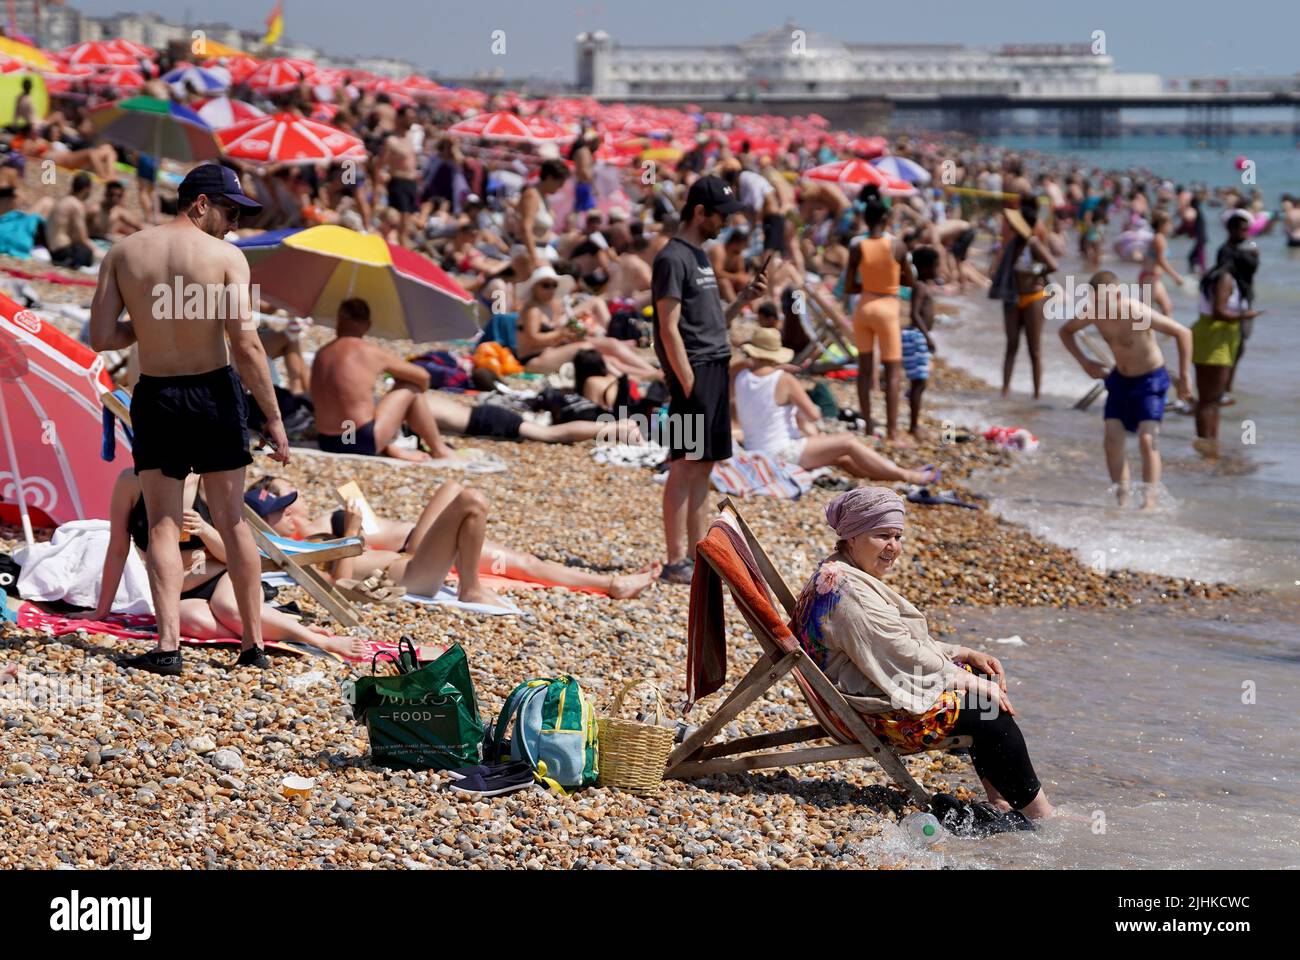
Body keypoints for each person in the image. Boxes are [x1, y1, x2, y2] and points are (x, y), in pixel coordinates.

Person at [88, 163, 286, 674]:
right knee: (233, 519)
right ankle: (253, 645)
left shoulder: (124, 252)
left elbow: (103, 338)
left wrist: (148, 324)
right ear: (200, 203)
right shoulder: (227, 258)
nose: (235, 223)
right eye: (231, 210)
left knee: (162, 523)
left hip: (157, 395)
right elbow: (245, 343)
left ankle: (168, 646)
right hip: (214, 392)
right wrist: (274, 417)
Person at [792, 487, 1054, 820]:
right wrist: (962, 679)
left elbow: (896, 643)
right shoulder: (850, 594)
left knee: (980, 680)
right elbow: (900, 652)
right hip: (868, 711)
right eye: (882, 535)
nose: (894, 548)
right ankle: (1043, 816)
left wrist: (962, 653)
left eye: (898, 536)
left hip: (855, 687)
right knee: (987, 711)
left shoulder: (838, 572)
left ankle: (1001, 801)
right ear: (852, 537)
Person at [68, 471, 367, 662]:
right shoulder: (131, 482)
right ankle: (280, 625)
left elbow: (235, 554)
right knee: (191, 623)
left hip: (222, 575)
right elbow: (118, 547)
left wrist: (205, 530)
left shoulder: (206, 483)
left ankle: (321, 641)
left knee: (229, 607)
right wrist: (101, 611)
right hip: (180, 592)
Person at [249, 476, 660, 601]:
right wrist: (354, 530)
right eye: (284, 507)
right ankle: (470, 586)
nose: (294, 508)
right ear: (268, 519)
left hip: (409, 560)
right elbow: (338, 584)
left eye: (293, 500)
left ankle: (610, 584)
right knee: (471, 500)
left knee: (454, 489)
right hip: (409, 574)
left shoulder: (315, 530)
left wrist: (356, 525)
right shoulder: (310, 544)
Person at [652, 174, 765, 583]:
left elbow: (712, 323)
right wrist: (687, 385)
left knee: (704, 465)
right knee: (684, 465)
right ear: (699, 212)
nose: (725, 224)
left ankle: (698, 555)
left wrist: (743, 299)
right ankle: (673, 560)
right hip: (695, 372)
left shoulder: (700, 255)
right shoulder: (673, 257)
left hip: (714, 365)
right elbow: (668, 327)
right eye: (720, 216)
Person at [732, 328, 938, 484]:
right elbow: (813, 415)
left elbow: (741, 369)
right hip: (781, 452)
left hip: (756, 449)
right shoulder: (783, 379)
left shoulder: (741, 377)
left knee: (844, 457)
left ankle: (891, 475)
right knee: (848, 441)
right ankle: (906, 475)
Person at [1058, 271, 1193, 509]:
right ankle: (1122, 499)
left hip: (1151, 379)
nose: (1101, 306)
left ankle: (1149, 502)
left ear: (1118, 295)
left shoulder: (1135, 312)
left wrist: (1184, 376)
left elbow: (1183, 333)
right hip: (1120, 378)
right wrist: (1085, 362)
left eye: (1105, 301)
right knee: (1112, 439)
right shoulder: (1095, 313)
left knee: (1146, 438)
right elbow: (1065, 332)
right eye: (1096, 301)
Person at [309, 297, 455, 461]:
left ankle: (392, 446)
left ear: (339, 320)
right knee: (411, 389)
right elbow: (423, 377)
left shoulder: (321, 354)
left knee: (362, 406)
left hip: (327, 440)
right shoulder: (368, 351)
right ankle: (439, 449)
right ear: (368, 325)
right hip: (357, 441)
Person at [514, 264, 660, 378]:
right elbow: (533, 339)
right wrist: (562, 334)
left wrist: (569, 334)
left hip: (548, 353)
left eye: (554, 285)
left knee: (608, 348)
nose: (551, 289)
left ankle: (650, 373)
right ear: (534, 287)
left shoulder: (546, 307)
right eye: (546, 285)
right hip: (534, 359)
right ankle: (649, 375)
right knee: (592, 351)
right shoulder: (532, 310)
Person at [844, 198, 912, 441]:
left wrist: (869, 284)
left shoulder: (857, 247)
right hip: (888, 308)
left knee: (864, 370)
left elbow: (850, 286)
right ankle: (893, 431)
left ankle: (869, 427)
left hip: (864, 307)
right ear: (886, 220)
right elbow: (910, 280)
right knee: (893, 373)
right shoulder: (897, 245)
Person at [1191, 244, 1260, 444]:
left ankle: (1210, 442)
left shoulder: (1216, 275)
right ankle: (1206, 444)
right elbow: (1219, 311)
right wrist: (1245, 315)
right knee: (1209, 399)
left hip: (1214, 336)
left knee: (1212, 398)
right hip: (1216, 338)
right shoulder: (1225, 278)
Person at [988, 203, 1056, 399]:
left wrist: (1037, 272)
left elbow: (1052, 264)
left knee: (1034, 349)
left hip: (1034, 297)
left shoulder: (1033, 244)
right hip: (1013, 297)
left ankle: (1036, 395)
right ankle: (1005, 391)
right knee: (1011, 345)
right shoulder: (1013, 244)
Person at [1219, 210, 1258, 401]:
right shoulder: (1226, 251)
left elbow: (1253, 268)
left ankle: (1227, 387)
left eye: (1247, 228)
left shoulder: (1246, 249)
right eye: (1242, 229)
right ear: (1231, 229)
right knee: (1231, 347)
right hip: (1231, 304)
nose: (1246, 232)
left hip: (1244, 300)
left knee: (1239, 347)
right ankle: (1223, 387)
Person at [903, 247, 941, 439]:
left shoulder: (924, 286)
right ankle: (913, 426)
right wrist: (927, 336)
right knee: (919, 383)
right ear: (925, 268)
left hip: (918, 336)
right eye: (936, 266)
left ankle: (914, 422)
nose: (938, 269)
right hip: (916, 336)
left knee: (920, 382)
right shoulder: (919, 286)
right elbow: (914, 313)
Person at [378, 106, 421, 247]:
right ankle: (398, 249)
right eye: (409, 117)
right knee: (398, 221)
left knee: (408, 222)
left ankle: (402, 248)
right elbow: (380, 165)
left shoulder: (411, 138)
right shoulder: (391, 141)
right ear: (400, 118)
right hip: (398, 181)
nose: (412, 120)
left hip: (411, 183)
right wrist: (379, 182)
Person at [46, 172, 95, 268]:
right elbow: (82, 238)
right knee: (87, 253)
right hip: (62, 251)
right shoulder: (76, 205)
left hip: (51, 247)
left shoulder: (63, 200)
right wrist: (98, 251)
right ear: (87, 189)